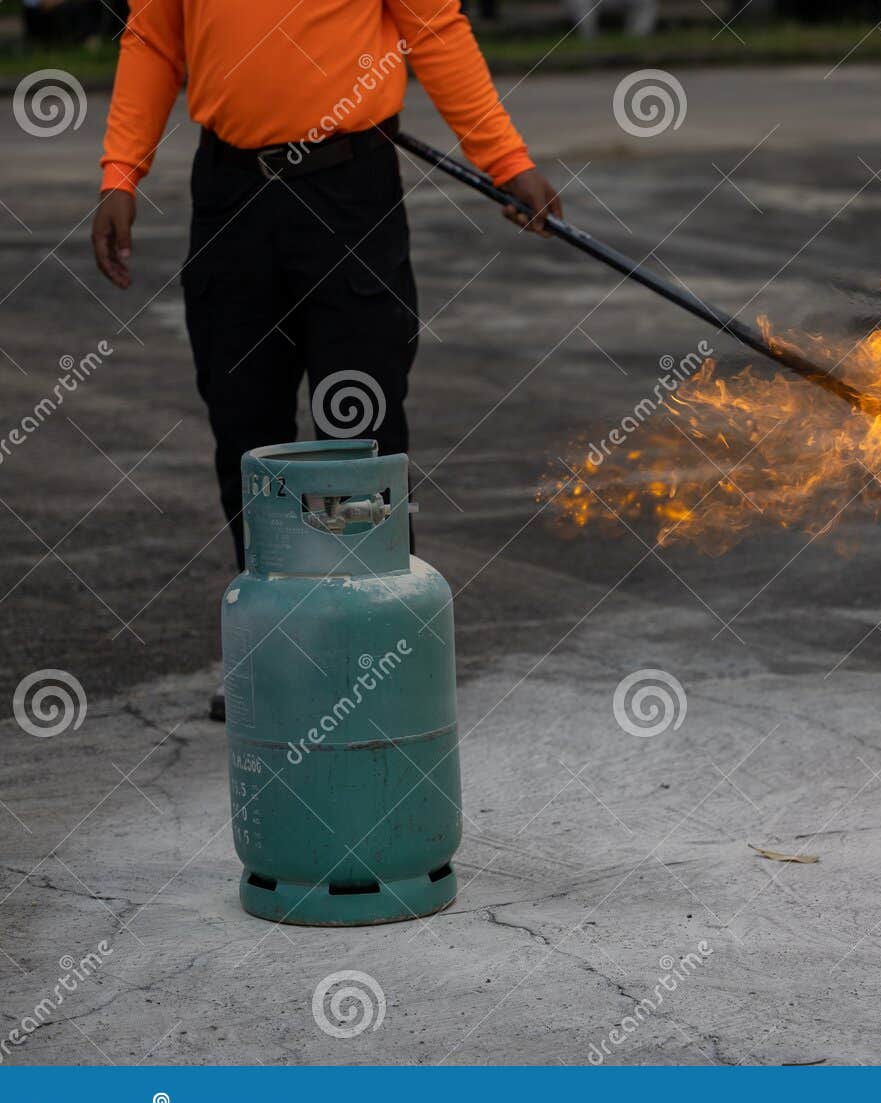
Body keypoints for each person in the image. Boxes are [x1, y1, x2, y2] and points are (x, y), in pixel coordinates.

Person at [91, 0, 563, 720]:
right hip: (231, 196)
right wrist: (121, 174)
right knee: (247, 430)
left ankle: (376, 647)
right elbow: (154, 39)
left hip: (348, 193)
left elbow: (435, 27)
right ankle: (275, 646)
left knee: (358, 432)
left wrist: (505, 159)